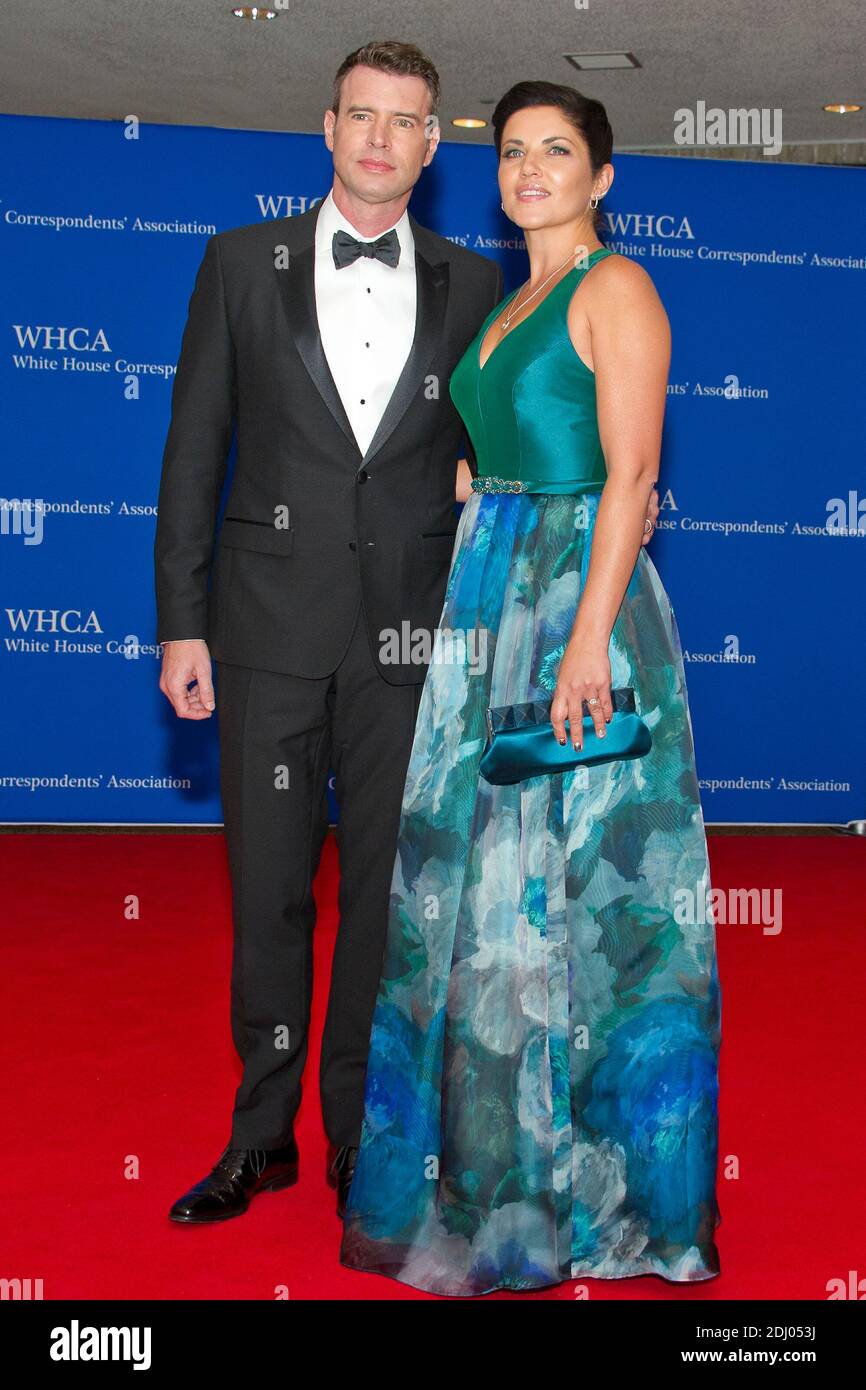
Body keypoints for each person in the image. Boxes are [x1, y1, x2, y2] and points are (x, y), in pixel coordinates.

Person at [155, 43, 659, 1226]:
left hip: (419, 649)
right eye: (363, 117)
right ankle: (258, 1134)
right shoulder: (239, 264)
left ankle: (358, 1135)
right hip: (267, 634)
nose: (383, 140)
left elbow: (508, 455)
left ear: (434, 147)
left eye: (410, 123)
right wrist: (181, 625)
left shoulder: (479, 289)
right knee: (268, 893)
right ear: (328, 127)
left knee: (391, 902)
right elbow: (191, 453)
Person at [341, 81, 722, 1294]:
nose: (526, 168)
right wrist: (480, 491)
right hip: (490, 594)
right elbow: (510, 444)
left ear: (601, 176)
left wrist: (585, 640)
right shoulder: (512, 306)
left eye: (555, 150)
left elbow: (632, 475)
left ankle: (599, 1206)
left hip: (573, 606)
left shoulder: (616, 288)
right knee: (479, 897)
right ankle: (500, 1182)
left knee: (577, 903)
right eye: (509, 151)